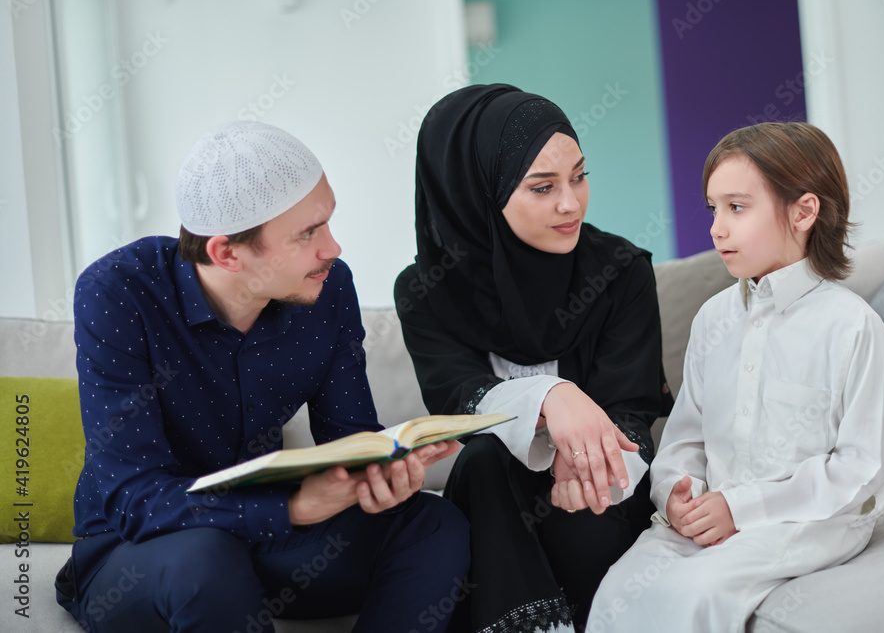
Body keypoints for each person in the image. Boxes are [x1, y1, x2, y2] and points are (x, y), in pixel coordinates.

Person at [54, 121, 470, 633]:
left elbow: (351, 438)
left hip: (272, 546)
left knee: (433, 524)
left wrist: (380, 475)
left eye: (327, 222)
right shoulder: (117, 291)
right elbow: (134, 497)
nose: (333, 248)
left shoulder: (328, 288)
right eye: (307, 234)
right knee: (205, 558)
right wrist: (291, 506)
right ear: (226, 252)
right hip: (145, 550)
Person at [586, 122, 884, 632]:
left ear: (803, 211)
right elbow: (685, 436)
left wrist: (742, 507)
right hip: (711, 514)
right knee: (620, 588)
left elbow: (862, 469)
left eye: (737, 207)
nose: (716, 228)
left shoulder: (853, 326)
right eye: (713, 208)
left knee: (699, 592)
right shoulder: (713, 318)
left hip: (808, 519)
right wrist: (676, 494)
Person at [393, 84, 673, 632]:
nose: (570, 203)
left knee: (494, 469)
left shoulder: (619, 272)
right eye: (542, 187)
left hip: (601, 497)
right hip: (496, 505)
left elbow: (633, 408)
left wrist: (590, 461)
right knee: (484, 461)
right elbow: (457, 398)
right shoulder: (428, 289)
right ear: (475, 194)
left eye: (579, 176)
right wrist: (552, 398)